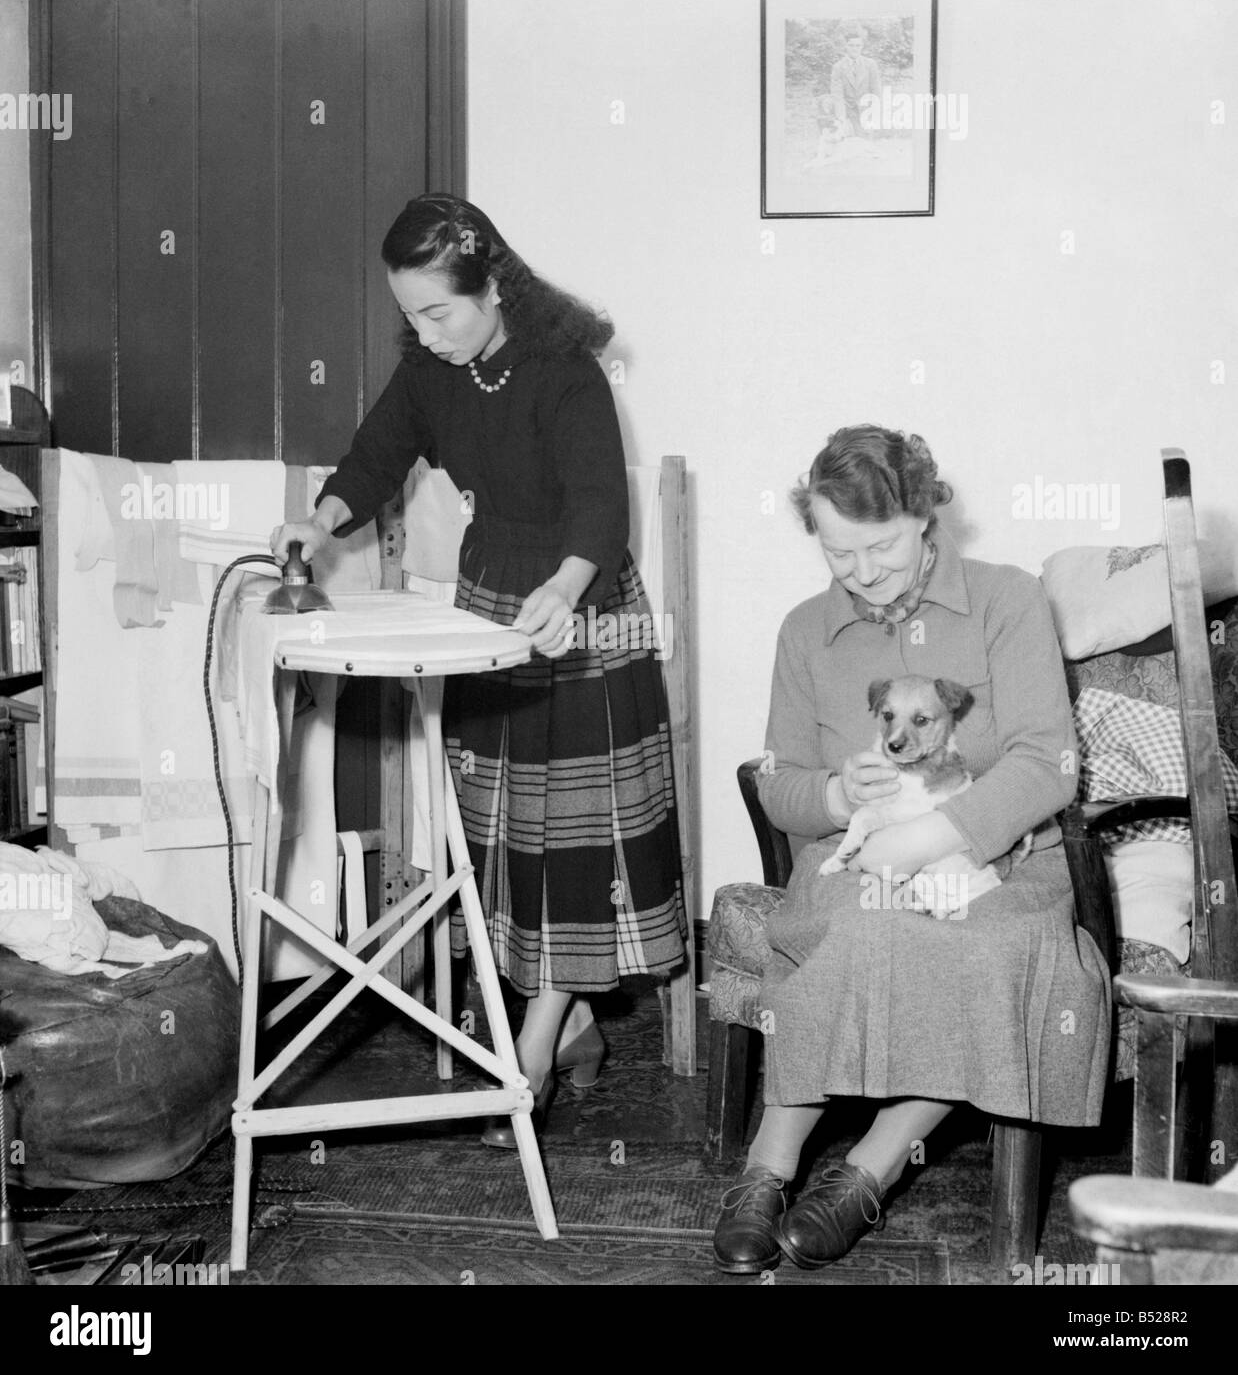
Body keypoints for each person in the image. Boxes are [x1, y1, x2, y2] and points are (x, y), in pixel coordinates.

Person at [271, 194, 687, 1146]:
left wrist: (570, 589)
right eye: (411, 316)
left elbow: (599, 510)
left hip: (581, 615)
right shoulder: (431, 371)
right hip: (489, 597)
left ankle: (534, 1048)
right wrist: (323, 516)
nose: (424, 334)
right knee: (505, 835)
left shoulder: (566, 372)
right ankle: (574, 1022)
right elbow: (376, 454)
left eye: (439, 313)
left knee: (572, 840)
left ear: (491, 287)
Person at [712, 425, 1110, 1274]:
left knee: (979, 941)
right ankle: (765, 1172)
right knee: (859, 920)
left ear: (926, 516)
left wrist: (929, 837)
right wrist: (835, 794)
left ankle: (869, 1170)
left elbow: (1051, 765)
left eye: (881, 544)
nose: (861, 572)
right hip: (851, 858)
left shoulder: (1008, 599)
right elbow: (776, 780)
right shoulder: (805, 631)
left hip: (1004, 859)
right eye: (838, 552)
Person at [829, 29, 882, 135]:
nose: (855, 49)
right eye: (851, 45)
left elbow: (876, 91)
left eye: (858, 45)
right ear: (845, 46)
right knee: (847, 138)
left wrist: (873, 114)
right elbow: (837, 95)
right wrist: (841, 119)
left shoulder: (870, 64)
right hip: (849, 111)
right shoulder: (838, 67)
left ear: (862, 47)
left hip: (866, 109)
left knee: (869, 139)